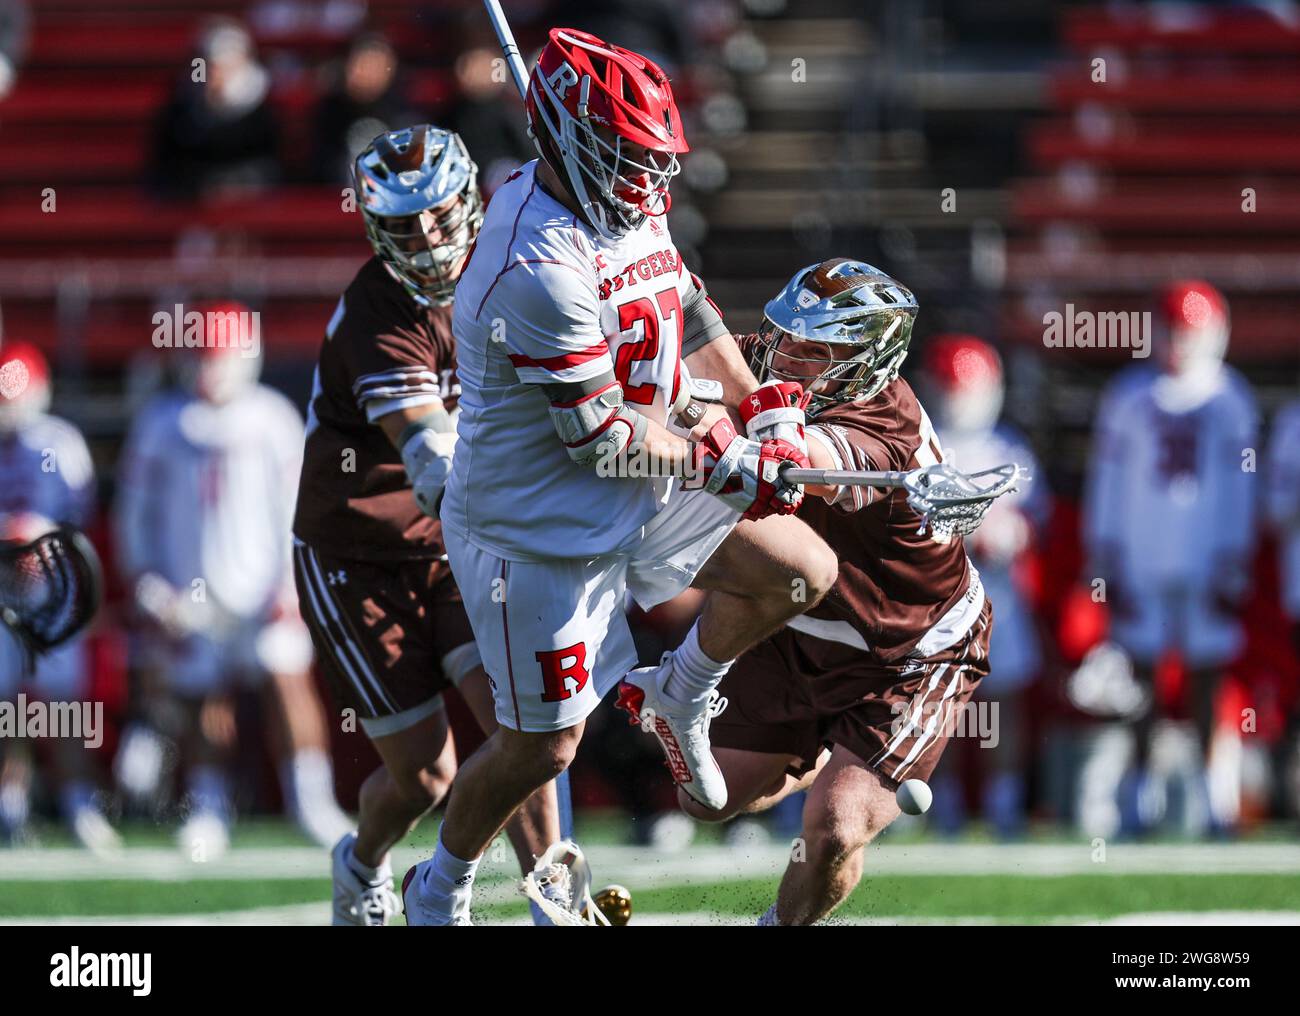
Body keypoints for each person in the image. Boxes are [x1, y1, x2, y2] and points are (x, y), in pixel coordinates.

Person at [402, 27, 838, 925]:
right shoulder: (536, 264)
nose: (650, 179)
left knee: (800, 571)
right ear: (569, 137)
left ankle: (679, 691)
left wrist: (759, 409)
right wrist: (726, 457)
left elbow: (683, 297)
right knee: (543, 747)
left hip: (639, 482)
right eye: (629, 153)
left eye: (653, 157)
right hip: (540, 530)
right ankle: (440, 882)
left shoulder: (614, 196)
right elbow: (598, 436)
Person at [291, 124, 561, 926]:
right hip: (361, 551)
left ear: (470, 199)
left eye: (441, 214)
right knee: (424, 778)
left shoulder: (507, 270)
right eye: (404, 226)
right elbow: (429, 452)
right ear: (376, 229)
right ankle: (363, 862)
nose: (429, 238)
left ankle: (550, 889)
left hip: (459, 544)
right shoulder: (378, 312)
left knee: (525, 723)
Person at [678, 258, 994, 926]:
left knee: (835, 830)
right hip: (800, 626)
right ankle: (816, 749)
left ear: (865, 363)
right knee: (705, 797)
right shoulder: (765, 370)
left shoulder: (885, 427)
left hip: (906, 650)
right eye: (784, 336)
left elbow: (801, 465)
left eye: (812, 352)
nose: (784, 358)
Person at [115, 304, 350, 858]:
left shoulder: (272, 419)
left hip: (263, 587)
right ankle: (208, 803)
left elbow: (299, 508)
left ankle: (310, 799)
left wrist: (290, 584)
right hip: (189, 591)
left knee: (287, 682)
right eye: (200, 356)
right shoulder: (161, 422)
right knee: (204, 697)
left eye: (218, 356)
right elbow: (135, 514)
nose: (208, 369)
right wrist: (148, 582)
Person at [1082, 280, 1258, 835]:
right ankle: (1143, 794)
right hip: (1143, 550)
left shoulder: (1231, 397)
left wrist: (1236, 554)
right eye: (1174, 331)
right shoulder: (1129, 394)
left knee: (1209, 675)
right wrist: (1104, 552)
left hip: (1210, 554)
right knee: (1142, 679)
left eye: (1191, 332)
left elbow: (1242, 486)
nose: (1180, 343)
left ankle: (1214, 795)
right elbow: (1106, 481)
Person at [920, 335, 1046, 838]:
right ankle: (942, 803)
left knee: (1001, 700)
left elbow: (1036, 519)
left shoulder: (1009, 447)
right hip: (938, 597)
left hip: (999, 595)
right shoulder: (923, 443)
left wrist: (1008, 532)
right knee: (938, 700)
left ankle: (1004, 802)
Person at [0, 342, 118, 853]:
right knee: (6, 705)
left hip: (52, 592)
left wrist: (35, 536)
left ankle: (78, 802)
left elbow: (78, 518)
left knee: (62, 703)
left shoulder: (58, 441)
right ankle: (11, 802)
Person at [150, 17, 280, 198]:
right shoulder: (183, 105)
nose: (216, 73)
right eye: (210, 66)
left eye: (224, 66)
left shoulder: (264, 107)